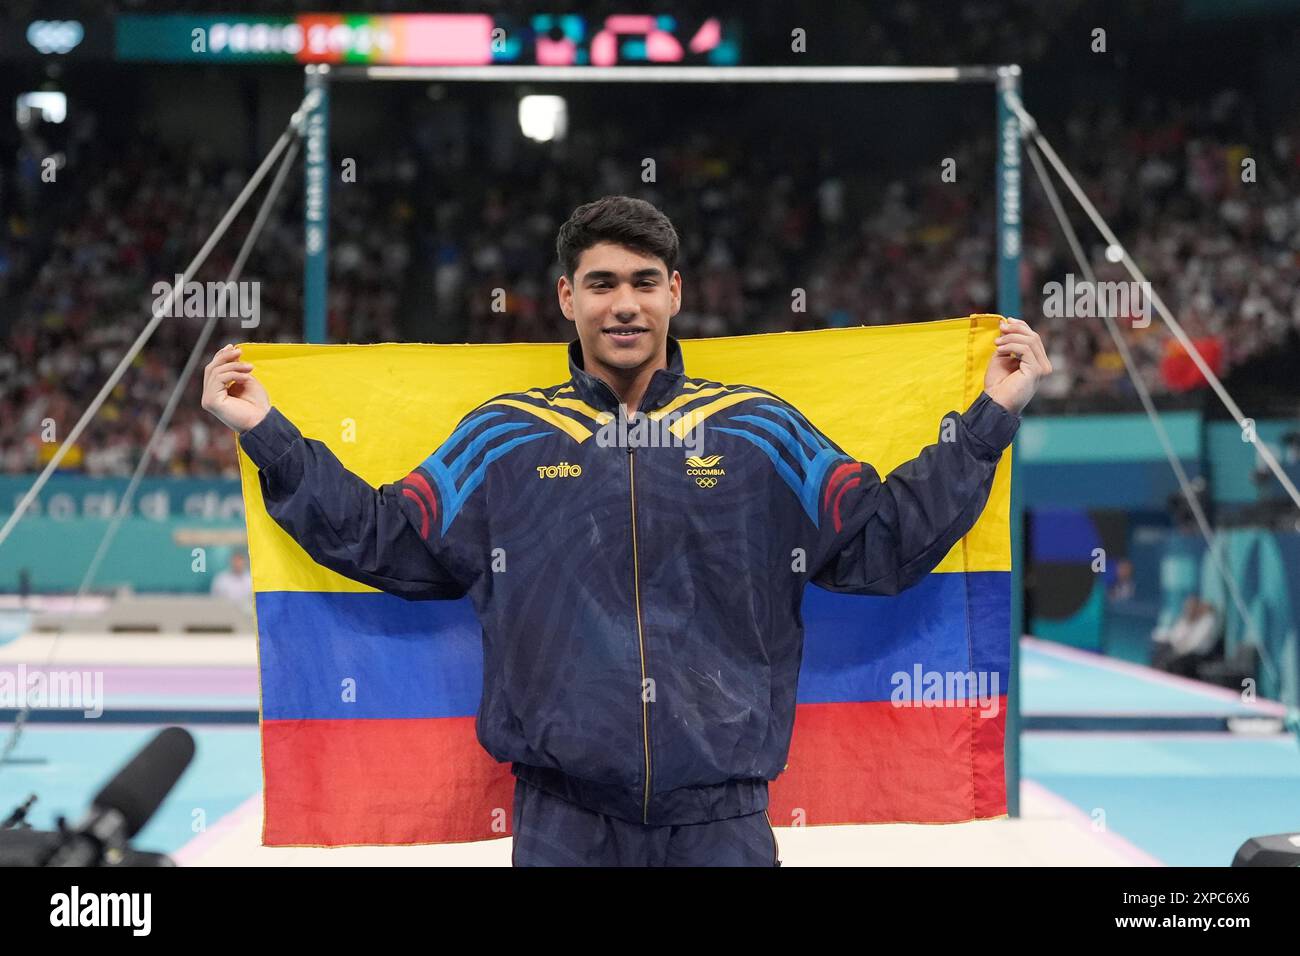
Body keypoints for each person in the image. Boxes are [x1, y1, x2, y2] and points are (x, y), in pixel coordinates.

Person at [200, 195, 1051, 866]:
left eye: (645, 281)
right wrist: (268, 434)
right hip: (562, 822)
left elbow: (882, 543)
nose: (625, 304)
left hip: (723, 822)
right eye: (602, 283)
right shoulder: (505, 436)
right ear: (567, 297)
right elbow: (390, 540)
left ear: (675, 293)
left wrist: (988, 421)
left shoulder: (761, 430)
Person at [1151, 595, 1222, 677]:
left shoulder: (1206, 623)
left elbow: (1194, 644)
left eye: (1191, 606)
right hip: (1183, 649)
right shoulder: (1188, 618)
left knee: (1173, 659)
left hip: (1197, 654)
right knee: (1162, 651)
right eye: (1187, 606)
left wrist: (1179, 650)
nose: (1188, 608)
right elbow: (1175, 636)